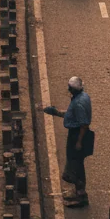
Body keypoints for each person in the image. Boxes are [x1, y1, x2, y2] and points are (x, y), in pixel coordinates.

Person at [43, 77, 92, 209]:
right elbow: (72, 114)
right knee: (74, 163)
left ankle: (81, 196)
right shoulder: (82, 97)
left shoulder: (79, 104)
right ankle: (77, 191)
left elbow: (84, 125)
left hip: (77, 136)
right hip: (75, 134)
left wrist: (79, 142)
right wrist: (57, 112)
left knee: (76, 165)